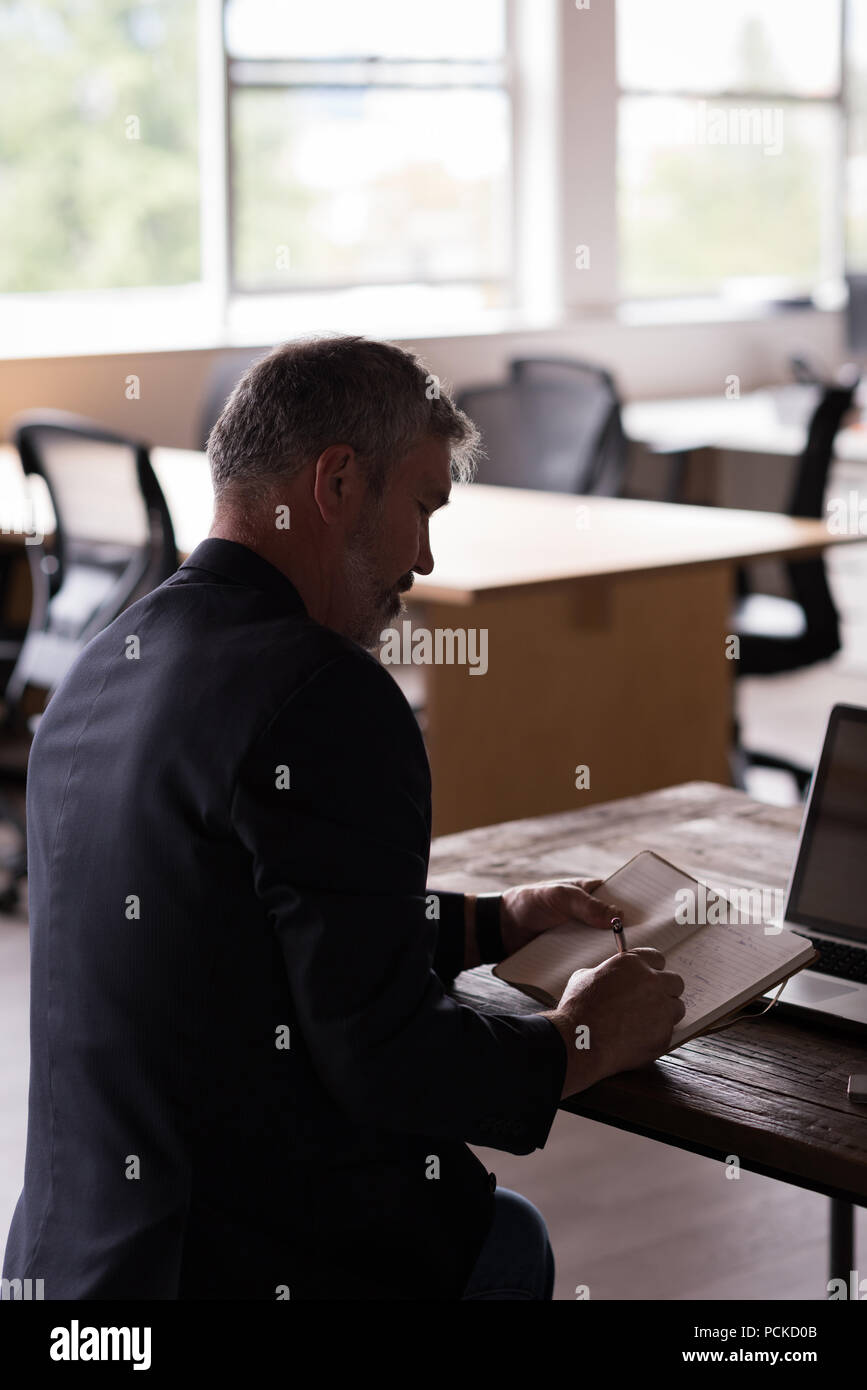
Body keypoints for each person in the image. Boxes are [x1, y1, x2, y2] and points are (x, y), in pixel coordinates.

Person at [2, 336, 685, 1301]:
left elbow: (241, 922)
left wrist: (492, 923)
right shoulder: (326, 694)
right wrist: (580, 1039)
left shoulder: (100, 665)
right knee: (502, 1242)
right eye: (421, 508)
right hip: (234, 1271)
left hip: (72, 1271)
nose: (424, 557)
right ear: (335, 483)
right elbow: (389, 1062)